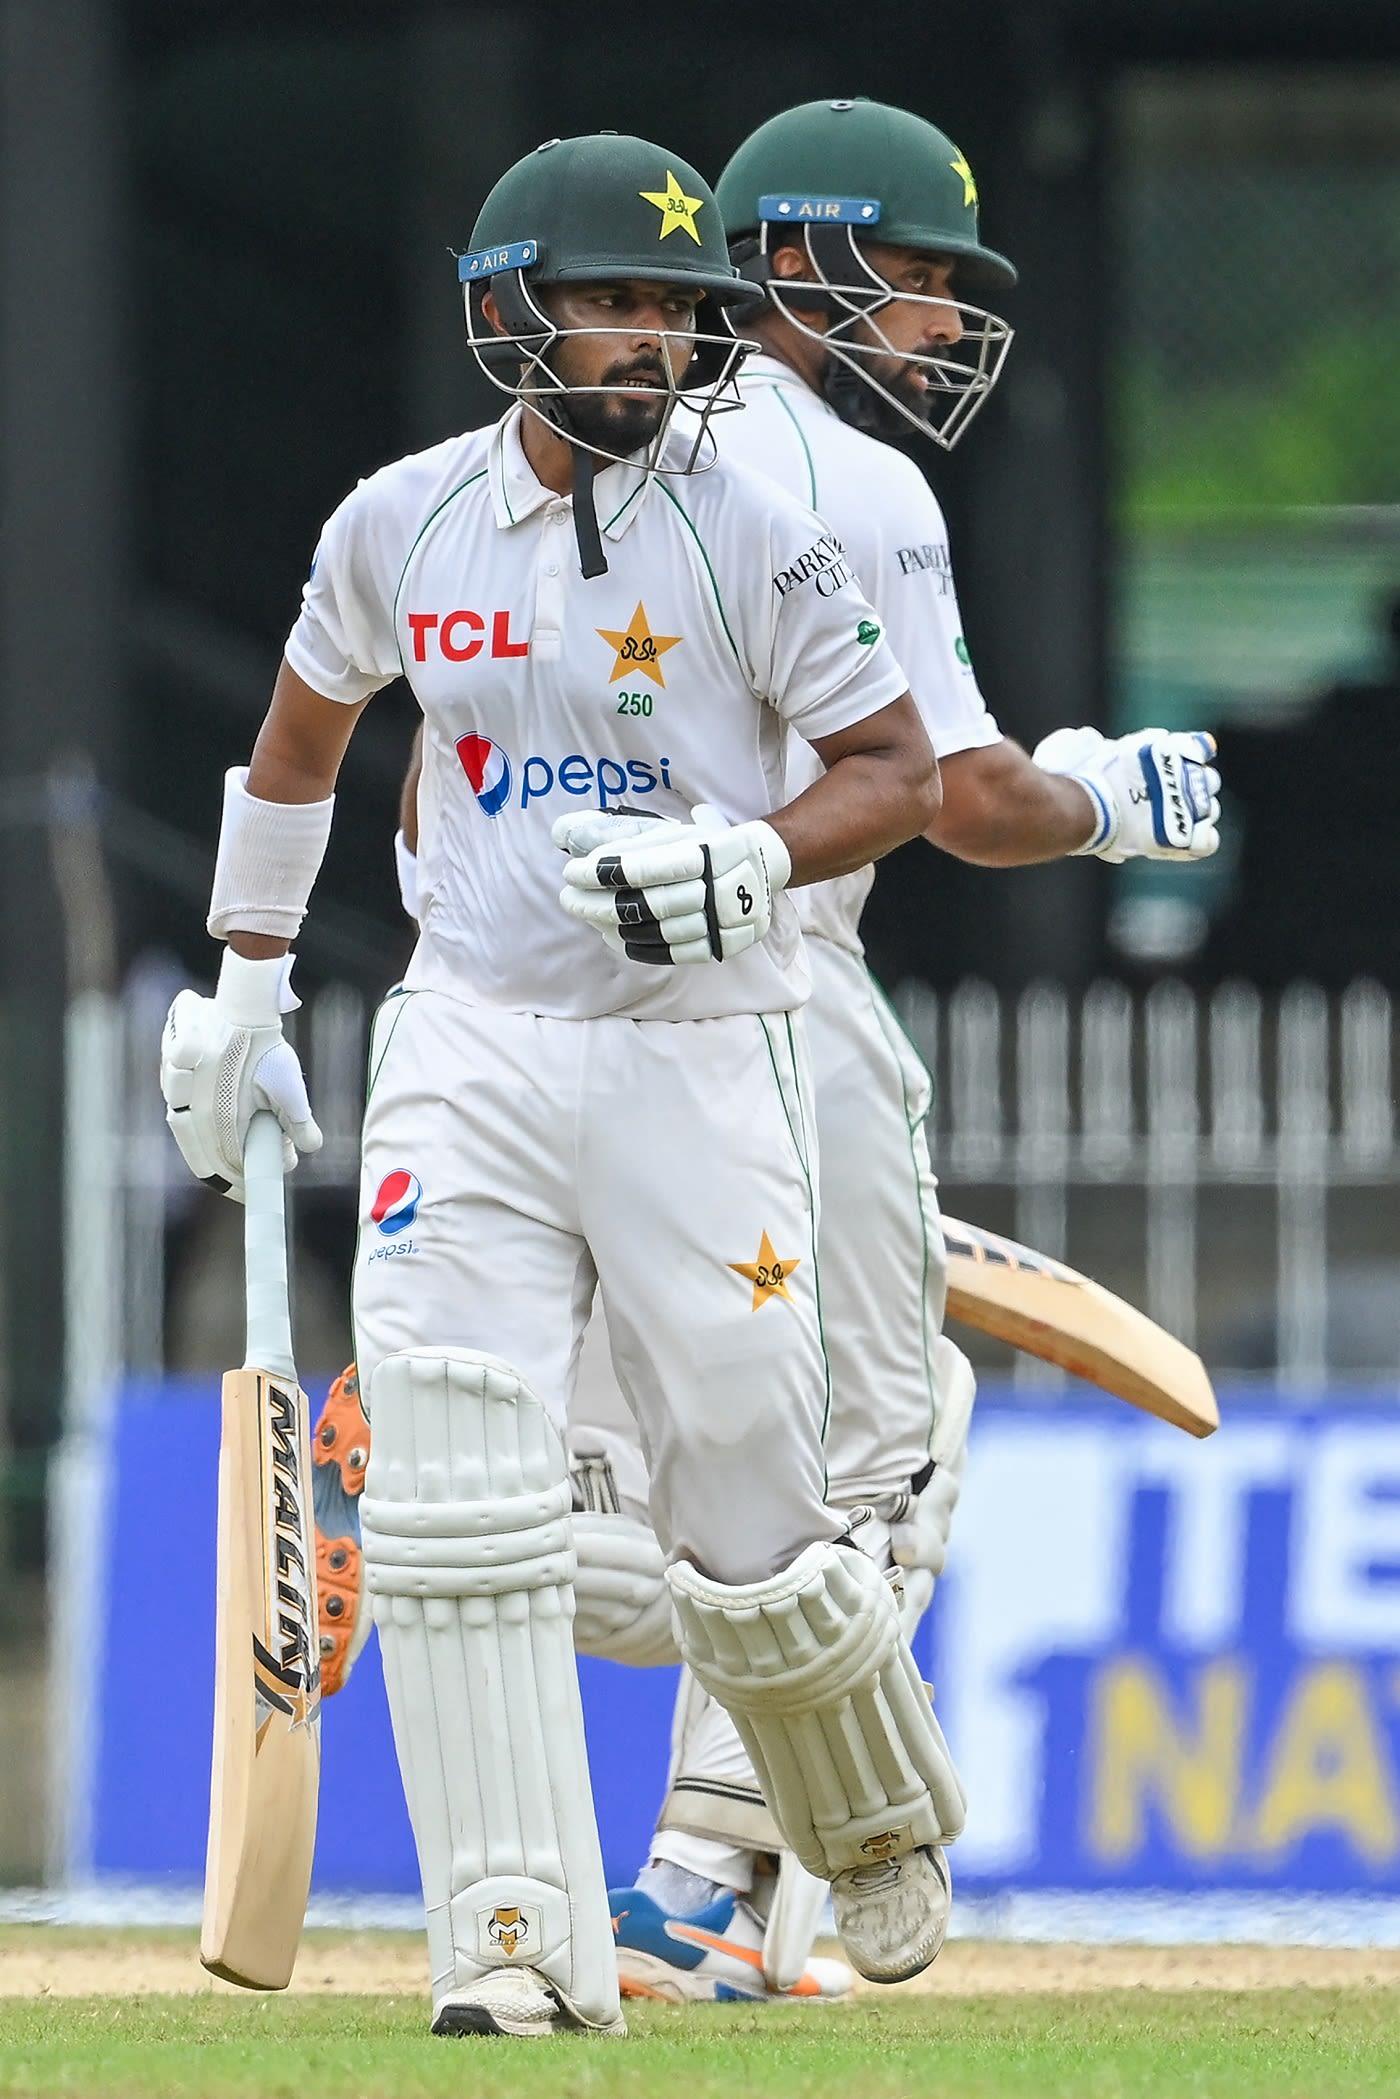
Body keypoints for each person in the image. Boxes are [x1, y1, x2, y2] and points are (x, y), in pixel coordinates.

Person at [315, 98, 1224, 2007]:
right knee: (873, 1471)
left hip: (538, 1016)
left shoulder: (549, 464)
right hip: (762, 1002)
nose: (935, 324)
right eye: (909, 277)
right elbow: (950, 796)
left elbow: (424, 789)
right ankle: (711, 1882)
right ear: (799, 263)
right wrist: (1104, 799)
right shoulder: (823, 483)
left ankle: (492, 1603)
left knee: (646, 1474)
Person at [160, 129, 968, 2042]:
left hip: (707, 1047)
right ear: (506, 309)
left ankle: (853, 1805)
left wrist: (758, 856)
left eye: (683, 314)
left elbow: (902, 772)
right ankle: (509, 1938)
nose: (654, 345)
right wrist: (246, 989)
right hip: (471, 1042)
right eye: (613, 304)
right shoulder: (398, 524)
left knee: (757, 1502)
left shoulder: (759, 525)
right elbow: (297, 747)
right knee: (454, 1472)